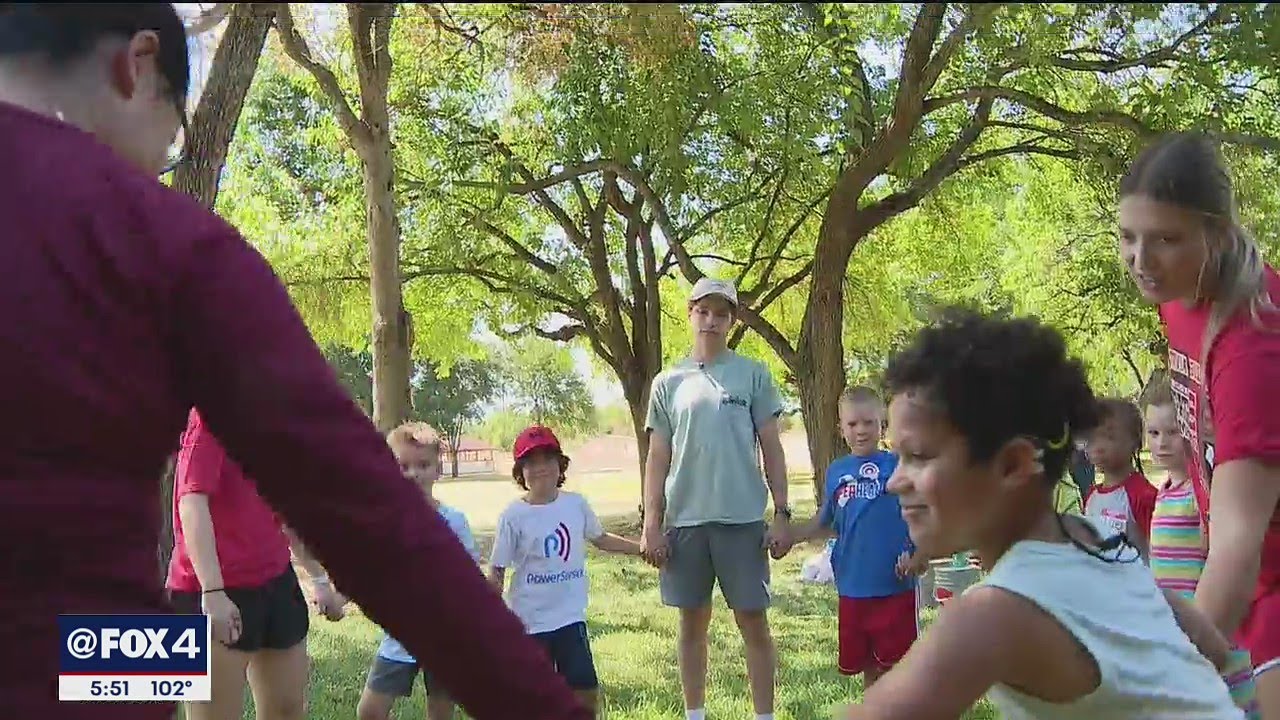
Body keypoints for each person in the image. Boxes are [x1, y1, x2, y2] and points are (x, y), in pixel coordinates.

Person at [0, 6, 589, 718]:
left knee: (278, 701)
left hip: (257, 587)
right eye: (175, 139)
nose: (160, 167)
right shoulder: (168, 249)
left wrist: (312, 578)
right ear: (138, 64)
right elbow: (346, 508)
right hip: (153, 614)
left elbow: (307, 515)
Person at [836, 307, 1242, 719]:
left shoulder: (990, 615)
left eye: (919, 456)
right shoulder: (1096, 540)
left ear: (1013, 465)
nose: (893, 482)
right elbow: (1212, 648)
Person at [1119, 131, 1280, 716]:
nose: (1141, 260)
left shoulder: (1253, 343)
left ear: (1217, 233)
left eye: (1165, 238)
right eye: (1127, 237)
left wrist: (1170, 680)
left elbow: (1239, 547)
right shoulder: (1177, 293)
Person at [640, 277, 790, 720]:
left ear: (732, 320)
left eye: (720, 313)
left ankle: (764, 715)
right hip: (685, 521)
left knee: (753, 622)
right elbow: (657, 457)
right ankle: (695, 714)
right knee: (692, 625)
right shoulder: (668, 382)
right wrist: (652, 522)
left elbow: (772, 448)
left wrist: (781, 513)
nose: (711, 321)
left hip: (742, 520)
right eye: (703, 311)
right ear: (690, 313)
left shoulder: (753, 375)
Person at [167, 409, 347, 720]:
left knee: (288, 710)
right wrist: (213, 591)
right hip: (212, 590)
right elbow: (191, 501)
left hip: (276, 581)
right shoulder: (211, 417)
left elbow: (287, 511)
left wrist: (319, 579)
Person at [489, 425, 642, 714]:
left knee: (585, 689)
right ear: (520, 473)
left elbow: (601, 538)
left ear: (560, 466)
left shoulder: (575, 505)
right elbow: (497, 569)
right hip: (530, 624)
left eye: (547, 460)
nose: (540, 469)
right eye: (530, 463)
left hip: (570, 620)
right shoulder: (513, 516)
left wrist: (641, 548)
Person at [785, 386, 924, 687]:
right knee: (869, 670)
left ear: (882, 425)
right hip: (853, 588)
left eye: (869, 423)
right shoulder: (837, 471)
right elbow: (824, 521)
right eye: (852, 424)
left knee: (901, 673)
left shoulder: (897, 466)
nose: (861, 431)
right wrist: (790, 537)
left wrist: (916, 556)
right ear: (841, 428)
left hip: (894, 587)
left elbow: (922, 514)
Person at [1147, 385, 1259, 718]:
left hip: (1216, 623)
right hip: (1179, 626)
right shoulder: (1164, 491)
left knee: (1233, 697)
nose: (1162, 442)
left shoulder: (1203, 493)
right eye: (1153, 432)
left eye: (1173, 432)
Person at [358, 422, 479, 720]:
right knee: (370, 711)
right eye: (403, 466)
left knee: (440, 712)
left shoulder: (454, 521)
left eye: (423, 465)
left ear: (437, 470)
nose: (413, 474)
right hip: (401, 636)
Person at [1081, 397, 1157, 559]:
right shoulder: (1091, 497)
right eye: (1092, 438)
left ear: (1134, 441)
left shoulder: (1143, 496)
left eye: (1109, 437)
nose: (1098, 447)